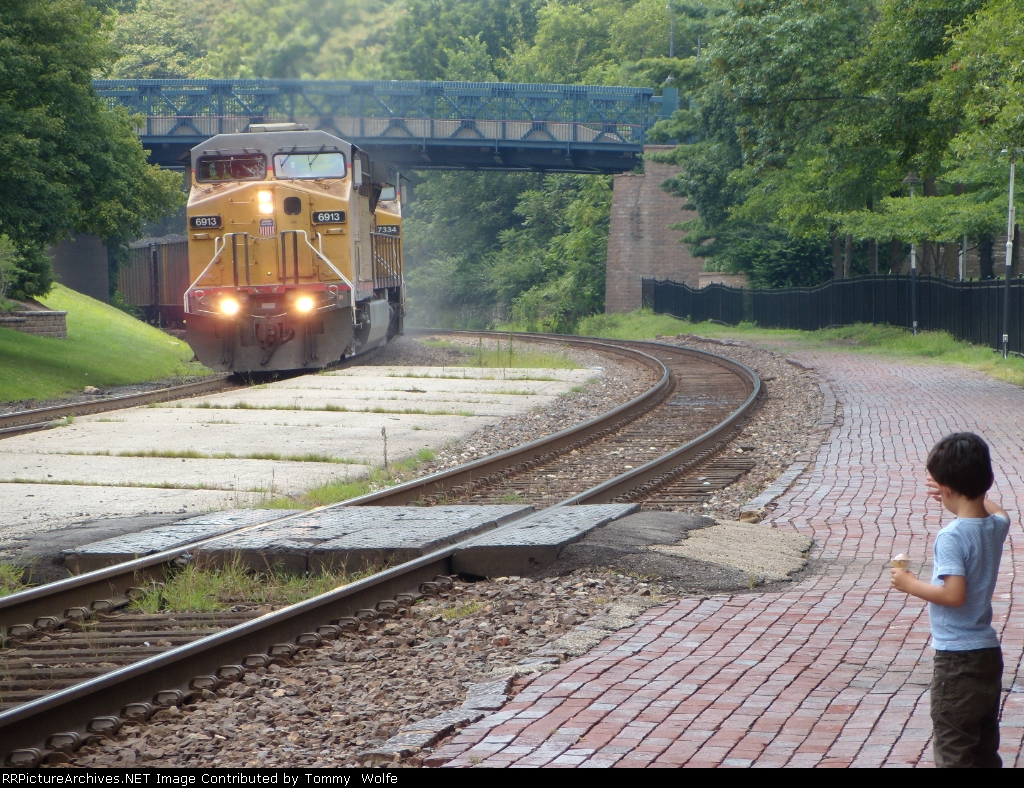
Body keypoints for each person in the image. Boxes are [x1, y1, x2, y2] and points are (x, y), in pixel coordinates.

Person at [891, 432, 1009, 768]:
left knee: (954, 745)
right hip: (987, 654)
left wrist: (908, 583)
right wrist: (959, 489)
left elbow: (953, 595)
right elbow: (996, 507)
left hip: (957, 659)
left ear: (944, 488)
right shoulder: (996, 526)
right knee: (984, 745)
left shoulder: (952, 536)